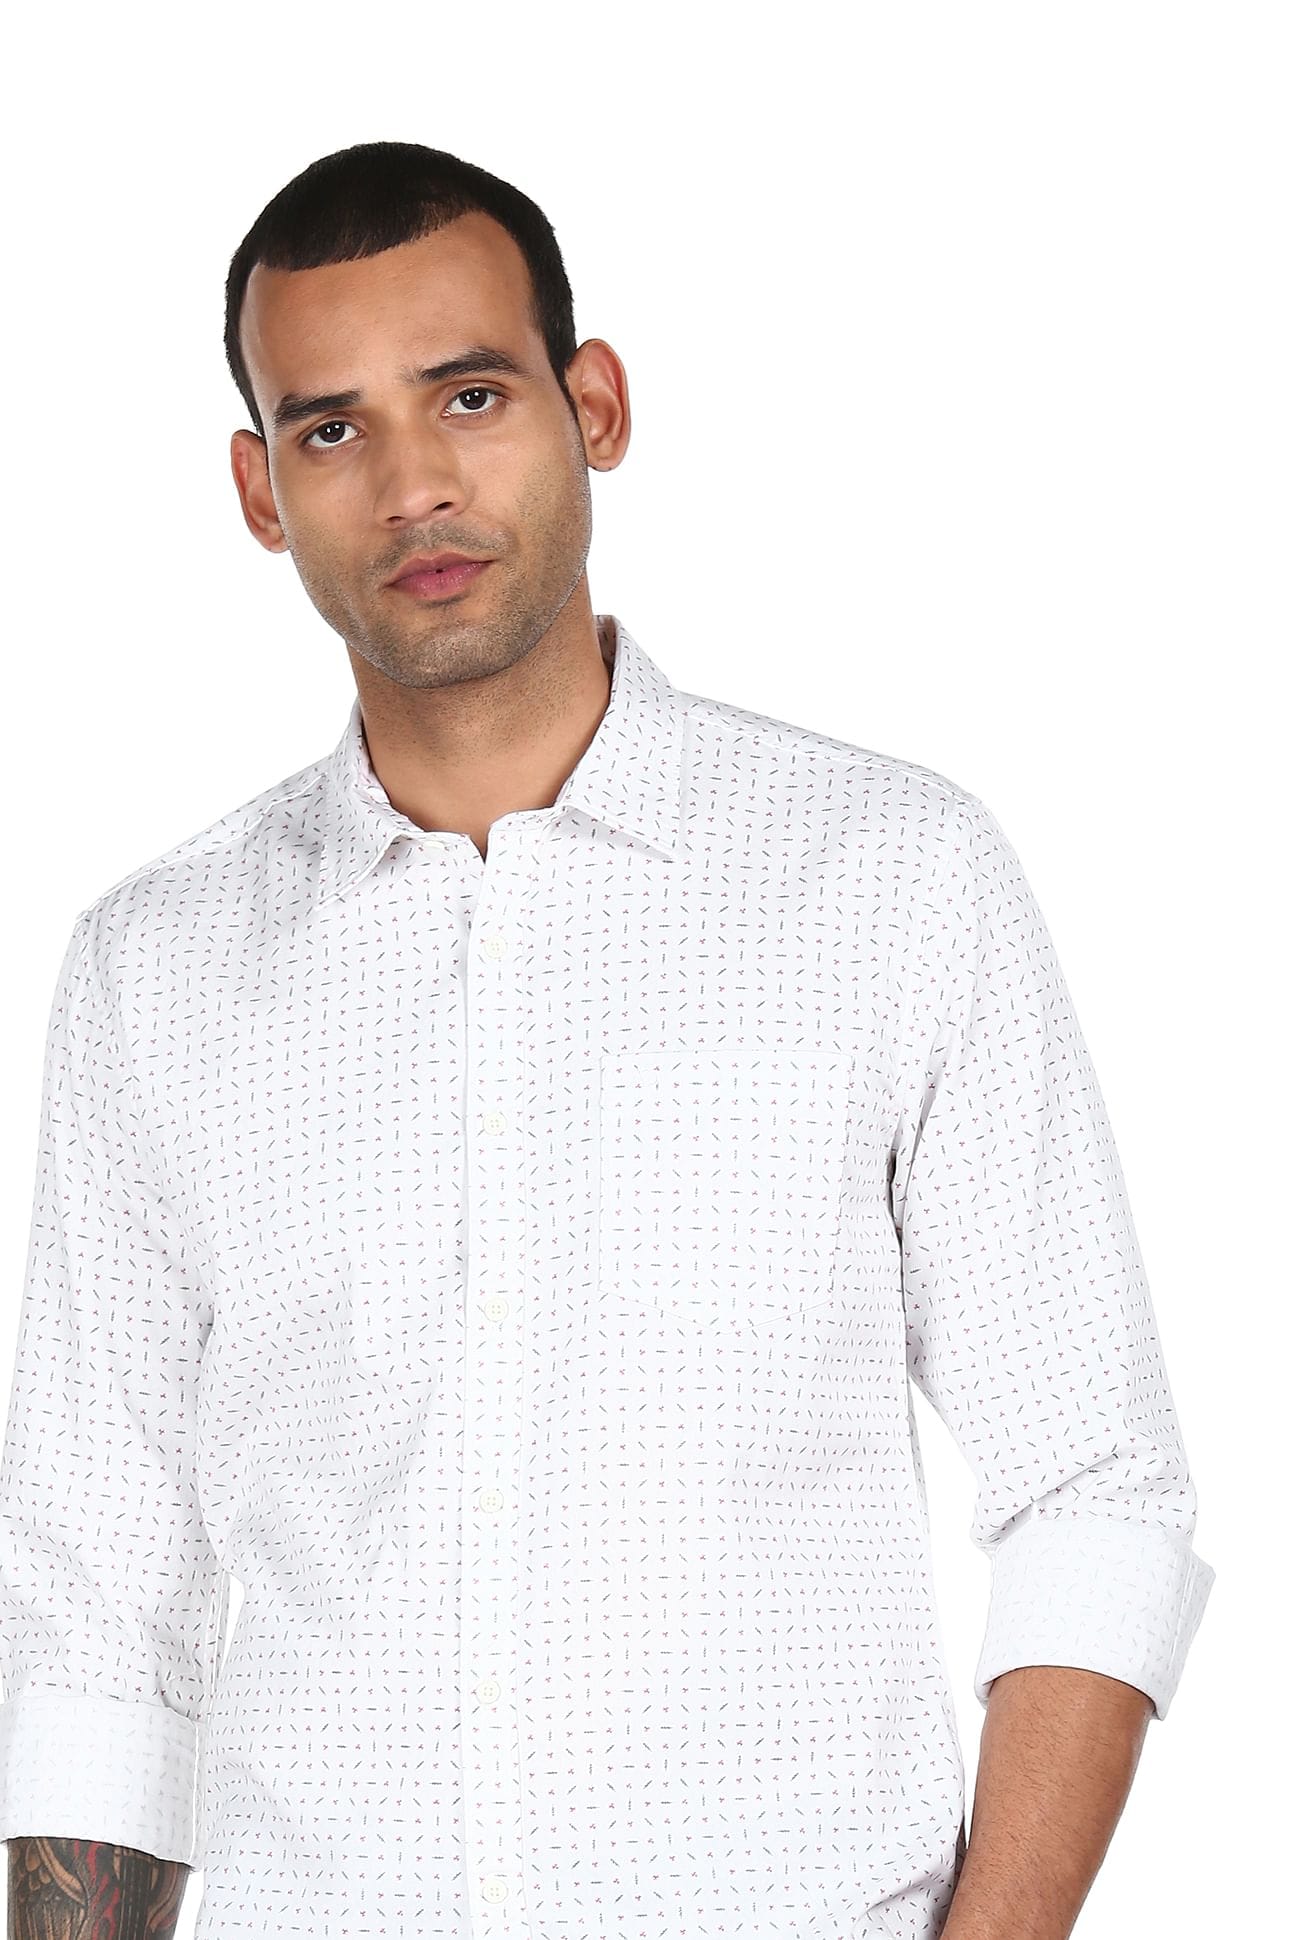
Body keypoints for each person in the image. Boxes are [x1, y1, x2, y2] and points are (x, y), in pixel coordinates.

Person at [0, 140, 1214, 1940]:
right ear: (261, 490)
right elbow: (102, 1630)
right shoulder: (154, 974)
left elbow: (1092, 1496)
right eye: (331, 429)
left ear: (595, 405)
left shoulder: (890, 880)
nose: (414, 484)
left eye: (469, 395)